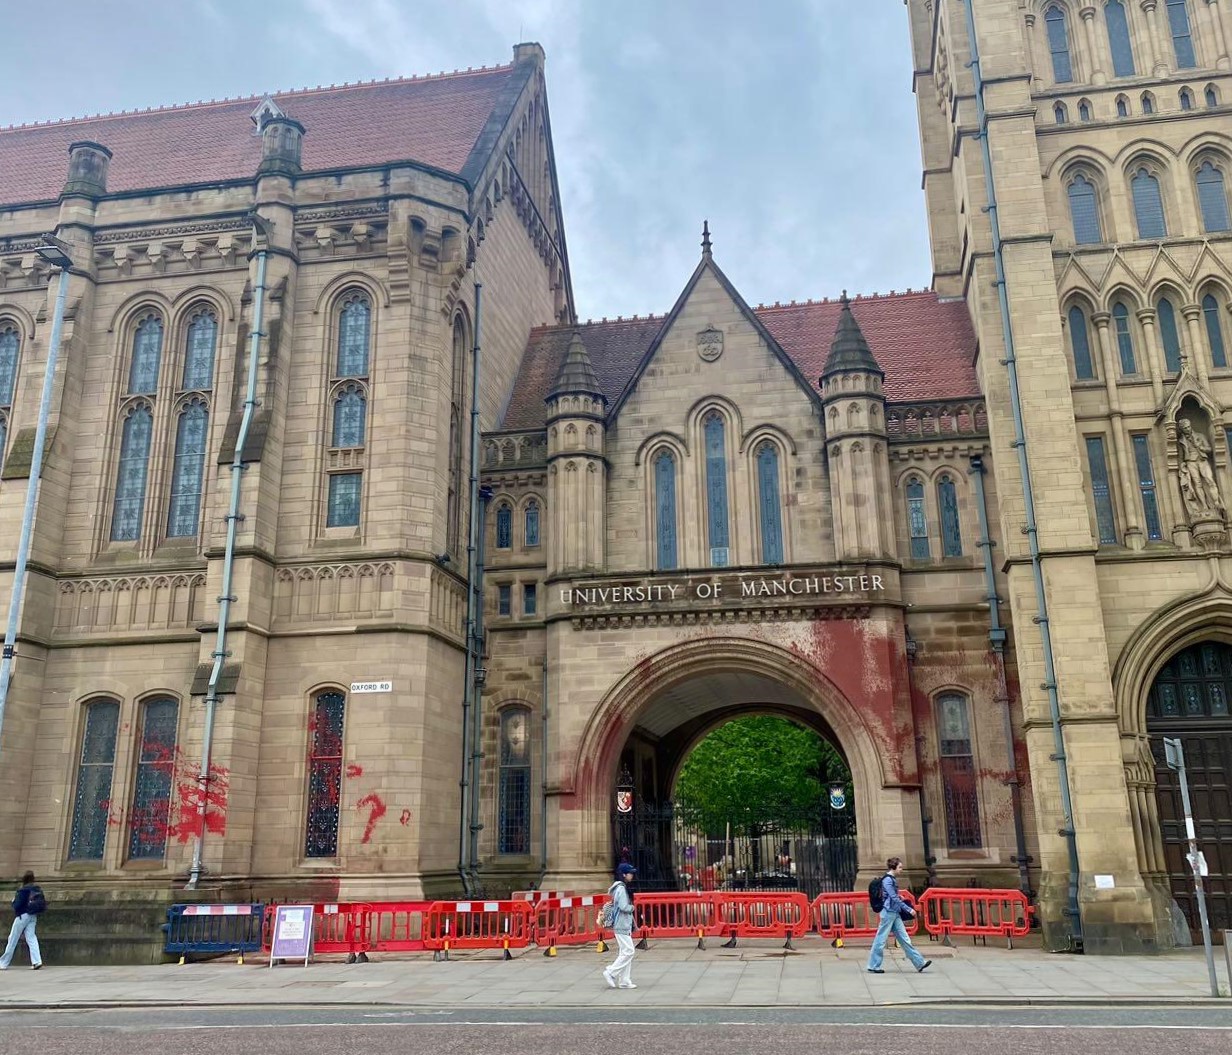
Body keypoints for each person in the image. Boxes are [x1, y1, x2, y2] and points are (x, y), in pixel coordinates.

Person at [867, 857, 930, 975]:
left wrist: (899, 898)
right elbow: (893, 898)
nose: (901, 869)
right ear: (893, 867)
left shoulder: (890, 879)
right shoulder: (888, 880)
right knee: (880, 939)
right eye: (900, 867)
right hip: (888, 913)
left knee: (904, 939)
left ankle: (919, 962)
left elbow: (893, 896)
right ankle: (873, 965)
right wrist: (908, 909)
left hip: (894, 913)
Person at [602, 862, 637, 989]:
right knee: (629, 951)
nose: (632, 875)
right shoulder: (621, 889)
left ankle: (624, 980)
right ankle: (611, 972)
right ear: (623, 874)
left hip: (622, 924)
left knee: (625, 951)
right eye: (630, 873)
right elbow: (623, 907)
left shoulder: (619, 888)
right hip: (621, 924)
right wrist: (632, 907)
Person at [0, 871, 44, 971]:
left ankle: (3, 963)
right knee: (31, 938)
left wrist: (13, 902)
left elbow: (17, 905)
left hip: (22, 916)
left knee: (13, 939)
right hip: (33, 915)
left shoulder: (23, 890)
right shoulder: (37, 889)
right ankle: (37, 961)